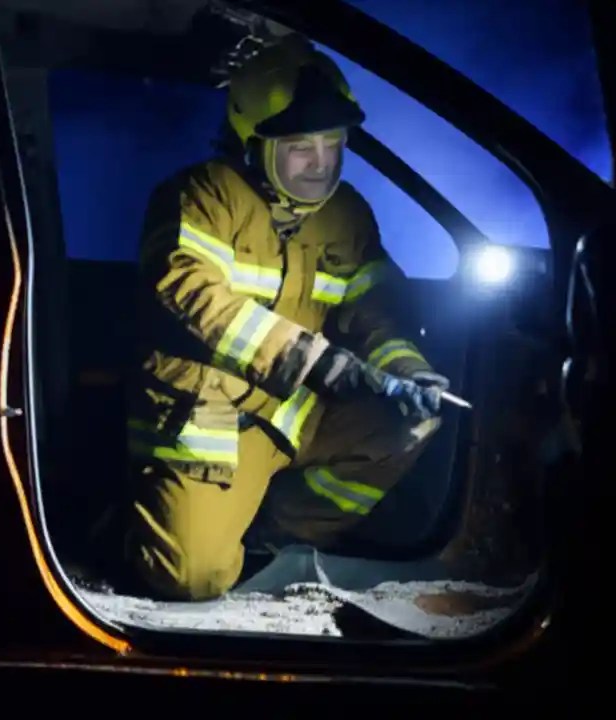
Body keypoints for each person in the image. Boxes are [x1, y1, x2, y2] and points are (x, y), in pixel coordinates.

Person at [120, 34, 452, 601]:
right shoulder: (201, 196)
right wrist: (315, 361)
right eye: (301, 146)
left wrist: (412, 373)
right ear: (253, 142)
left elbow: (378, 311)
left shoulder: (348, 215)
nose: (321, 165)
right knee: (190, 578)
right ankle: (131, 526)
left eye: (334, 143)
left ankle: (277, 534)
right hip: (213, 416)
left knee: (410, 422)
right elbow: (191, 291)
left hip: (298, 413)